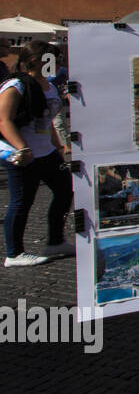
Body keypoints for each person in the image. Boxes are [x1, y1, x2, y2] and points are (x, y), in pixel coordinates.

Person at [0, 40, 74, 267]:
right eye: (53, 58)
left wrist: (58, 144)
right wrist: (23, 147)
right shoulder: (16, 86)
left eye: (58, 59)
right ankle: (14, 253)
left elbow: (47, 120)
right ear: (35, 61)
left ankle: (55, 241)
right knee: (22, 202)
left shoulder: (50, 87)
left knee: (65, 191)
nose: (58, 63)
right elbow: (4, 120)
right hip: (23, 154)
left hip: (47, 152)